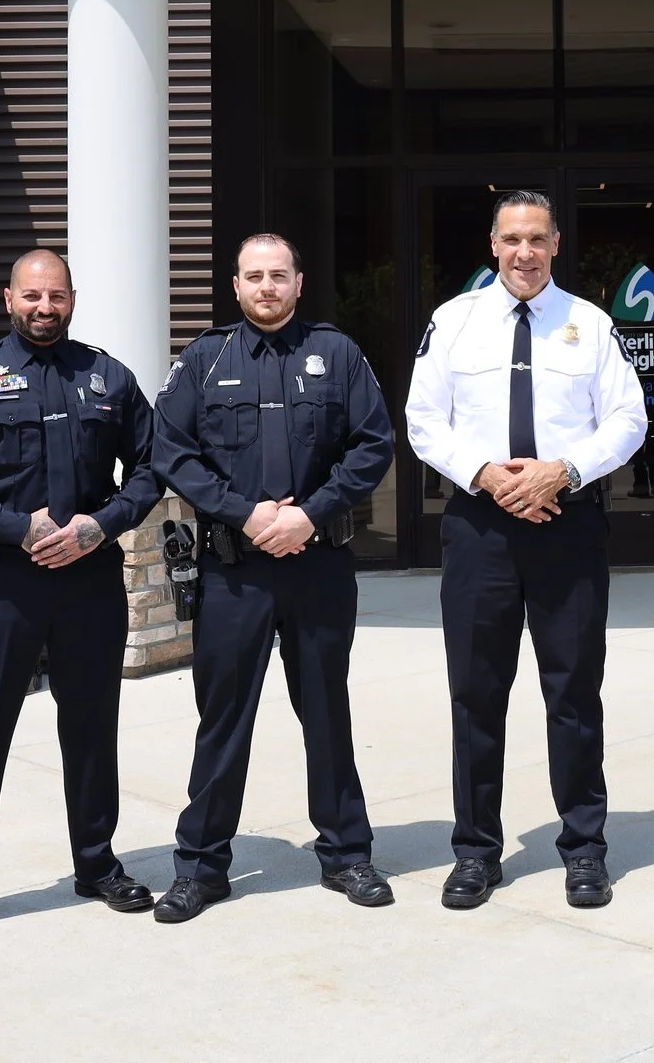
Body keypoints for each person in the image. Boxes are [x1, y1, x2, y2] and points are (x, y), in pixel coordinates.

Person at [0, 249, 163, 946]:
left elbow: (152, 466)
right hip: (2, 580)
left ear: (72, 299)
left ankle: (96, 863)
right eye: (32, 294)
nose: (44, 305)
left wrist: (100, 523)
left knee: (90, 728)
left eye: (56, 294)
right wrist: (15, 526)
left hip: (87, 577)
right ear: (9, 298)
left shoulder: (107, 375)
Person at [406, 190, 647, 910]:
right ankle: (476, 850)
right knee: (476, 695)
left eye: (537, 238)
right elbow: (423, 420)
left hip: (567, 528)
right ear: (492, 243)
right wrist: (486, 474)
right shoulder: (453, 322)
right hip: (480, 530)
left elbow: (629, 419)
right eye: (512, 238)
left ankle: (584, 849)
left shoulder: (591, 323)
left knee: (572, 693)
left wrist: (563, 471)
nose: (524, 251)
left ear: (556, 243)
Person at [147, 233, 398, 922]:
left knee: (326, 710)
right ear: (236, 286)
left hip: (317, 566)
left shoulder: (339, 353)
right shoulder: (205, 358)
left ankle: (348, 854)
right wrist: (247, 513)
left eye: (278, 275)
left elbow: (374, 443)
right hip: (234, 571)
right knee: (223, 721)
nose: (266, 287)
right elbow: (171, 449)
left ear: (298, 281)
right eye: (254, 276)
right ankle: (201, 867)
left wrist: (309, 516)